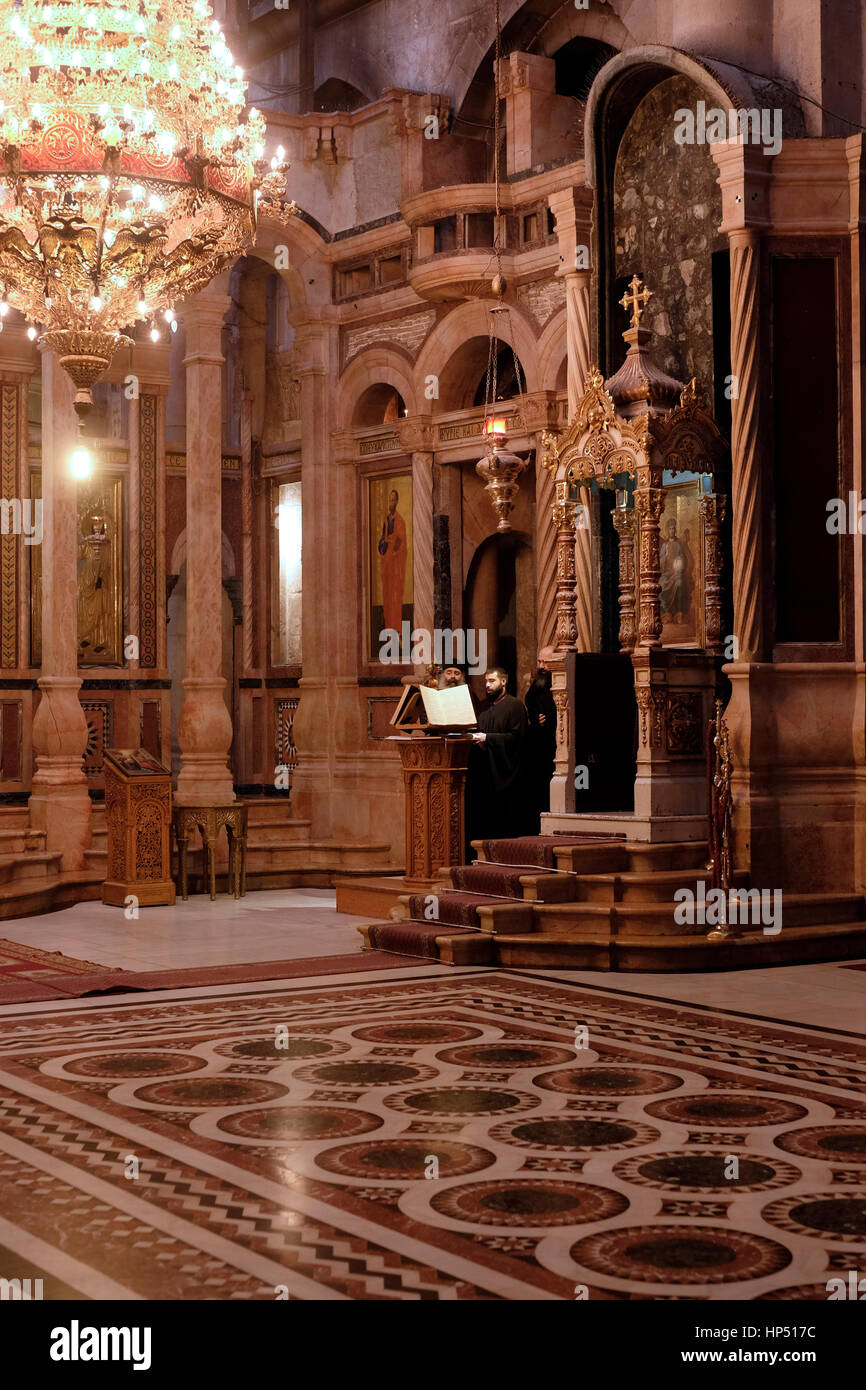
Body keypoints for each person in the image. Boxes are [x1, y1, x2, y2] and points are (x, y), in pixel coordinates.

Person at [466, 666, 529, 851]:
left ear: (504, 681)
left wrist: (488, 739)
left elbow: (517, 738)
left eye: (491, 681)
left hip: (505, 775)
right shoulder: (484, 708)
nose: (487, 685)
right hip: (485, 774)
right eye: (485, 681)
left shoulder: (514, 706)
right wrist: (479, 740)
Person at [524, 646, 557, 828]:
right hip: (539, 744)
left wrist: (549, 717)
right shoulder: (537, 686)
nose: (542, 666)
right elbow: (531, 704)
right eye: (540, 662)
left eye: (546, 662)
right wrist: (537, 717)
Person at [378, 489, 407, 632]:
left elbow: (401, 543)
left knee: (395, 598)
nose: (391, 503)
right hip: (387, 566)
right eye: (389, 500)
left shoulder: (400, 521)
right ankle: (388, 629)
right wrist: (384, 543)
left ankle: (397, 630)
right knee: (387, 598)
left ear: (397, 502)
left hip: (395, 568)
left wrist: (392, 544)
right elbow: (381, 542)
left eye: (393, 500)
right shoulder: (386, 520)